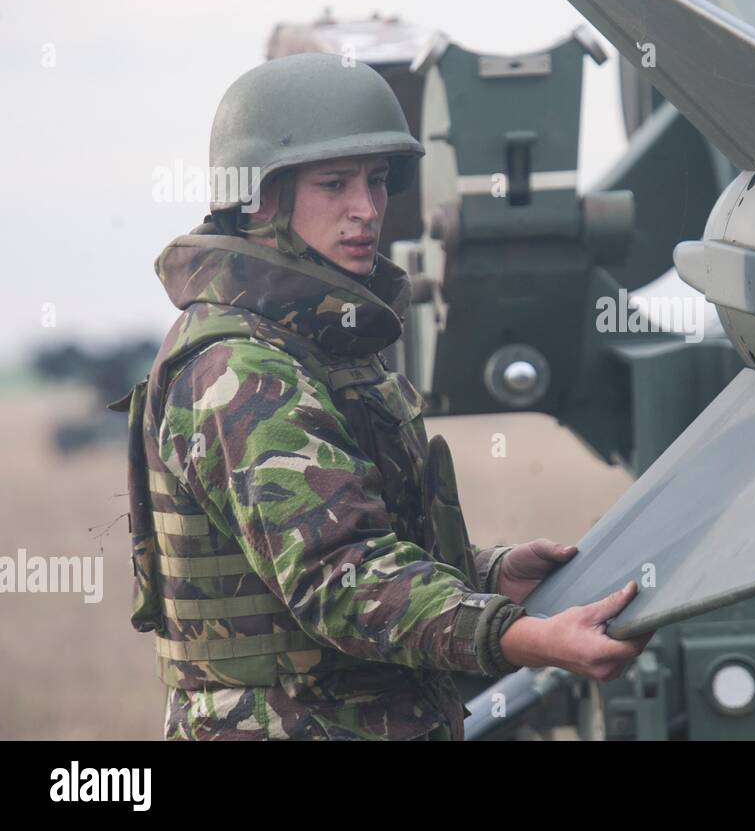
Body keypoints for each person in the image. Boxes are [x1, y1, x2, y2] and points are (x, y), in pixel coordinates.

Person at [112, 52, 648, 740]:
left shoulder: (320, 344)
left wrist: (484, 571)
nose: (365, 210)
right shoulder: (240, 367)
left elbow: (362, 536)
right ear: (259, 199)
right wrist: (517, 636)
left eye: (376, 181)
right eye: (334, 184)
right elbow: (343, 577)